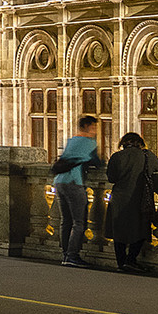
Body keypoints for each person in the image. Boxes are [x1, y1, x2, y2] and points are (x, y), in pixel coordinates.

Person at [104, 131, 158, 273]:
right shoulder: (146, 156)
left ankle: (121, 263)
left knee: (119, 232)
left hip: (118, 198)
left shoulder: (116, 157)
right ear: (140, 143)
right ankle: (131, 260)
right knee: (141, 230)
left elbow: (111, 178)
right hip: (137, 198)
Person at [51, 114, 101, 268]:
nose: (95, 131)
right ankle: (73, 255)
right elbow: (96, 162)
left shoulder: (71, 141)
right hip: (74, 182)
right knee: (78, 222)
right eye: (93, 127)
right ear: (86, 127)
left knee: (65, 221)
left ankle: (65, 254)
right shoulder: (88, 142)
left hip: (59, 181)